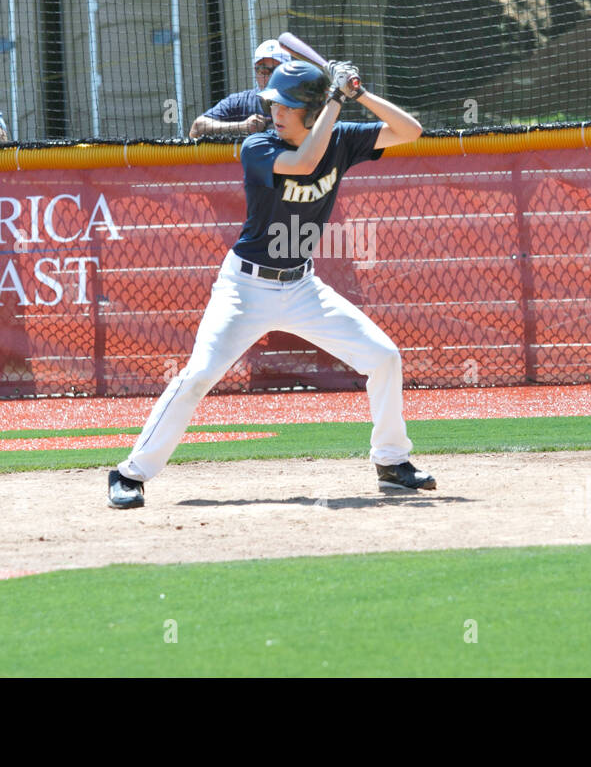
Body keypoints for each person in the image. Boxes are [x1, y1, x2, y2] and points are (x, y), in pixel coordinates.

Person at [107, 60, 434, 509]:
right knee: (199, 374)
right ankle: (130, 473)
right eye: (274, 103)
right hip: (245, 288)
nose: (277, 112)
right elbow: (302, 165)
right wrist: (336, 100)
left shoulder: (340, 138)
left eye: (288, 105)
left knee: (383, 357)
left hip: (302, 287)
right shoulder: (258, 146)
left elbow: (411, 130)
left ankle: (392, 464)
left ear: (312, 111)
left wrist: (357, 93)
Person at [188, 39, 293, 139]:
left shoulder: (299, 103)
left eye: (277, 71)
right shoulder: (240, 102)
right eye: (263, 71)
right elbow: (197, 128)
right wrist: (242, 126)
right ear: (255, 71)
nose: (270, 77)